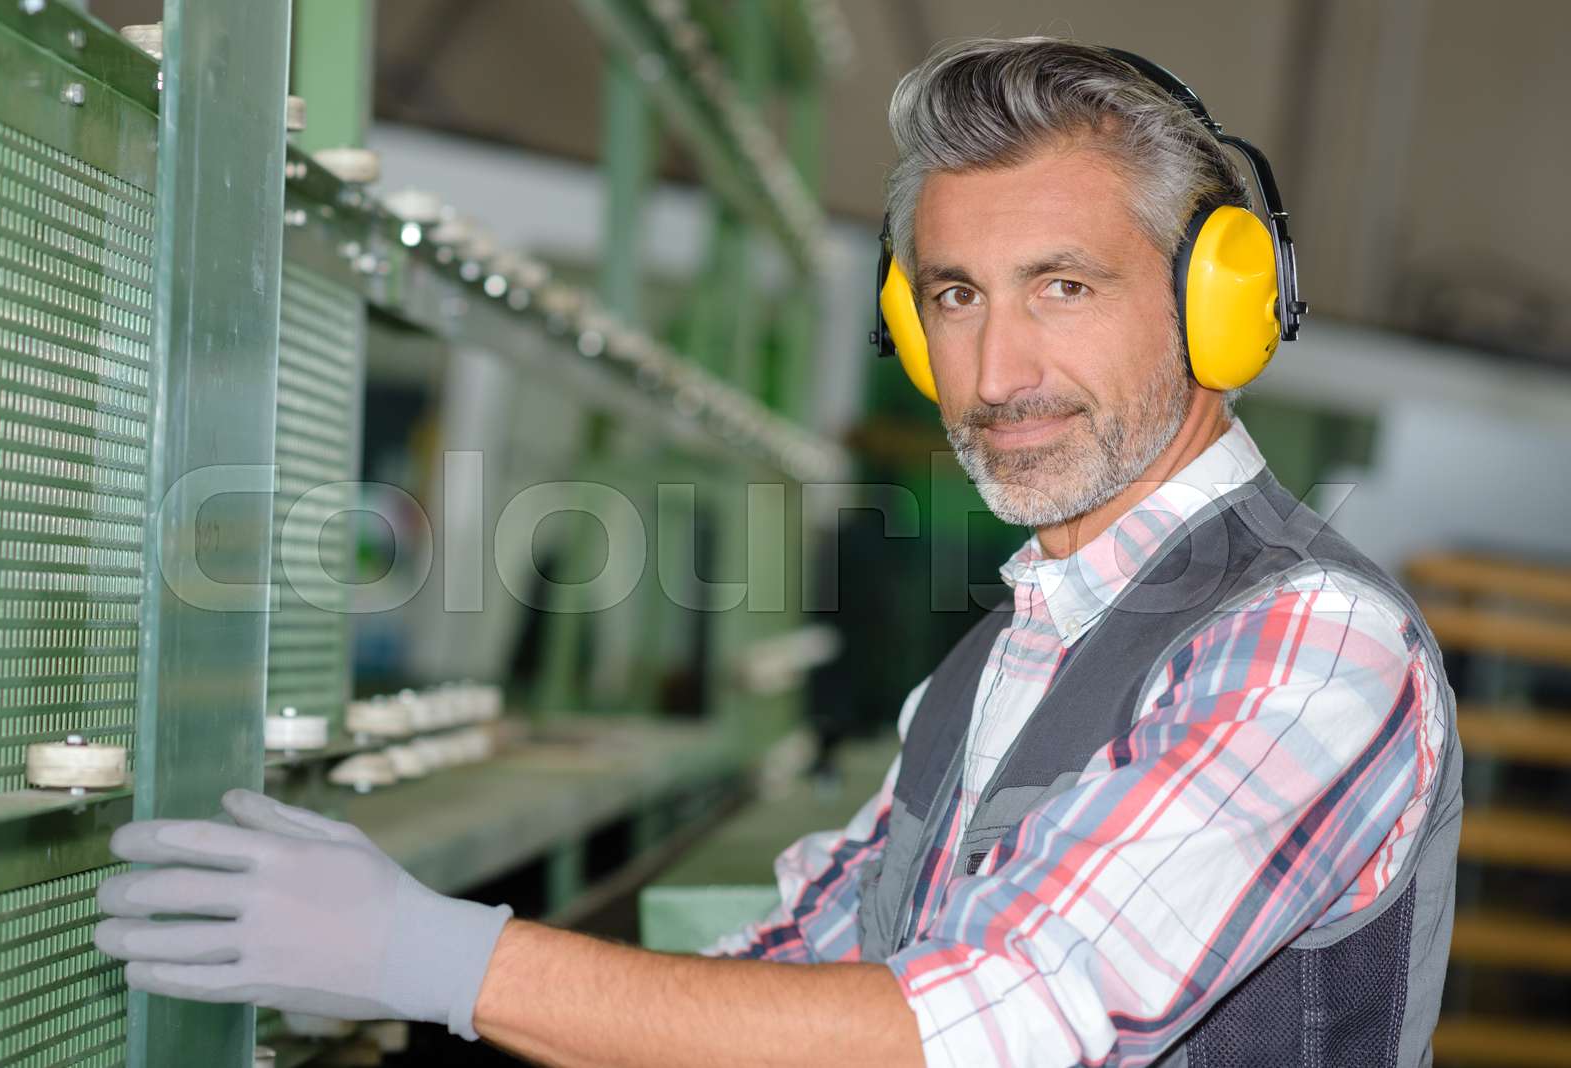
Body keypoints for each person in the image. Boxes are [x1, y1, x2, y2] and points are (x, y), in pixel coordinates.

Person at [94, 37, 1461, 1067]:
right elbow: (782, 970)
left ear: (1217, 304)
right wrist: (416, 974)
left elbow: (999, 1023)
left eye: (1064, 286)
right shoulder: (995, 667)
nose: (995, 369)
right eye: (952, 299)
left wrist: (436, 955)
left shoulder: (1310, 641)